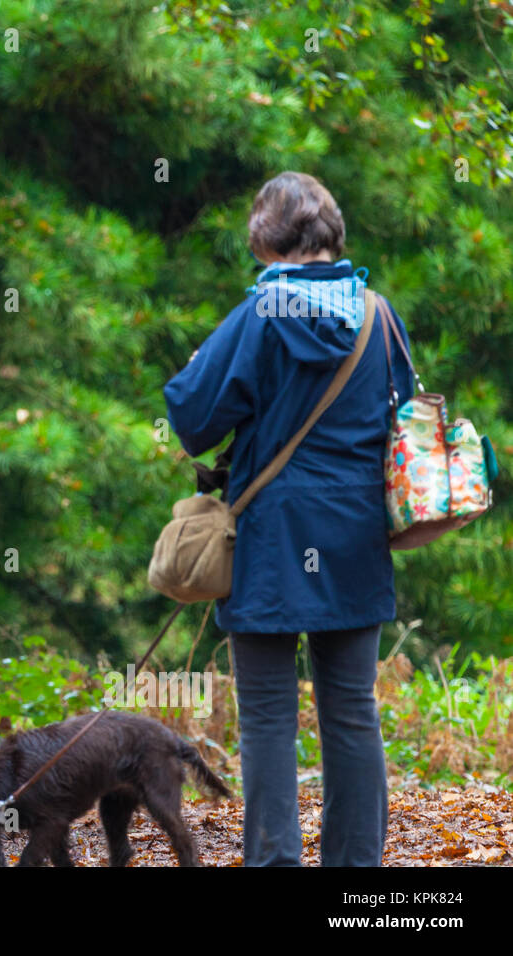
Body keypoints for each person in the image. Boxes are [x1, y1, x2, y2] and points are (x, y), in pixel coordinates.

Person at [163, 171, 415, 866]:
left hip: (271, 537)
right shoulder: (378, 315)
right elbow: (404, 422)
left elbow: (191, 416)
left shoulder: (260, 314)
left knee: (270, 716)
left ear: (266, 239)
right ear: (330, 236)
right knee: (352, 712)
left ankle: (275, 862)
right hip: (355, 536)